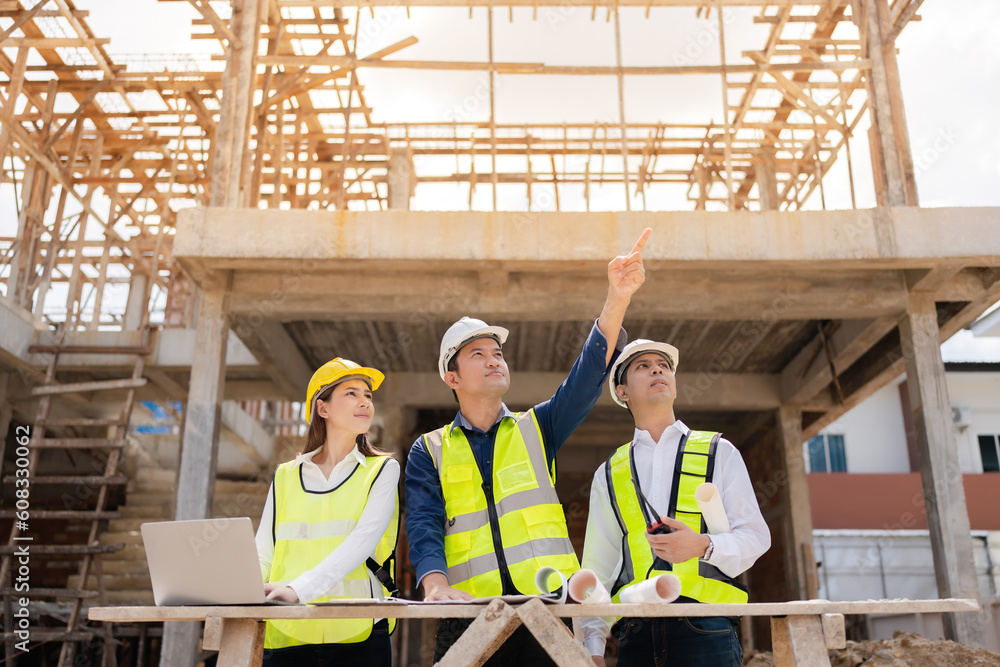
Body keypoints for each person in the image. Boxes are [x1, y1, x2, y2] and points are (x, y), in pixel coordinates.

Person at [405, 228, 653, 664]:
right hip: (470, 616)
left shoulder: (536, 427)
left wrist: (617, 299)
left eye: (497, 353)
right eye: (478, 355)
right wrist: (434, 584)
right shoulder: (429, 449)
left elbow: (585, 379)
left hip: (548, 612)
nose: (494, 360)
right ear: (453, 378)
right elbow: (424, 523)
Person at [580, 339, 771, 667]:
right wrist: (592, 646)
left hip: (706, 628)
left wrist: (702, 545)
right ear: (622, 391)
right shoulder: (610, 472)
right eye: (643, 365)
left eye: (664, 365)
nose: (657, 369)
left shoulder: (719, 452)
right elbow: (597, 567)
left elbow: (756, 538)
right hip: (635, 634)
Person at [255, 358, 400, 667]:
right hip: (288, 631)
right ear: (323, 408)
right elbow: (264, 550)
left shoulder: (383, 469)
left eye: (368, 395)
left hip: (358, 633)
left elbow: (360, 544)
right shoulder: (285, 475)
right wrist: (242, 588)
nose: (364, 402)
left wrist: (298, 589)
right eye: (351, 393)